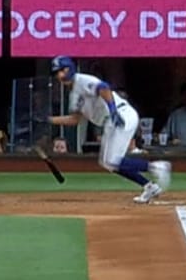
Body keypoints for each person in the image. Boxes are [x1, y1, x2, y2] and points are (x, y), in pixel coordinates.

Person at [47, 56, 171, 203]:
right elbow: (75, 119)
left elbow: (103, 87)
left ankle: (156, 167)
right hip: (111, 121)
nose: (60, 75)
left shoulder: (82, 80)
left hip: (119, 114)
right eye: (57, 73)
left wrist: (112, 109)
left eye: (62, 70)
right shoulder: (73, 94)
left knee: (112, 160)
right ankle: (149, 186)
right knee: (107, 162)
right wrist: (49, 120)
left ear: (70, 68)